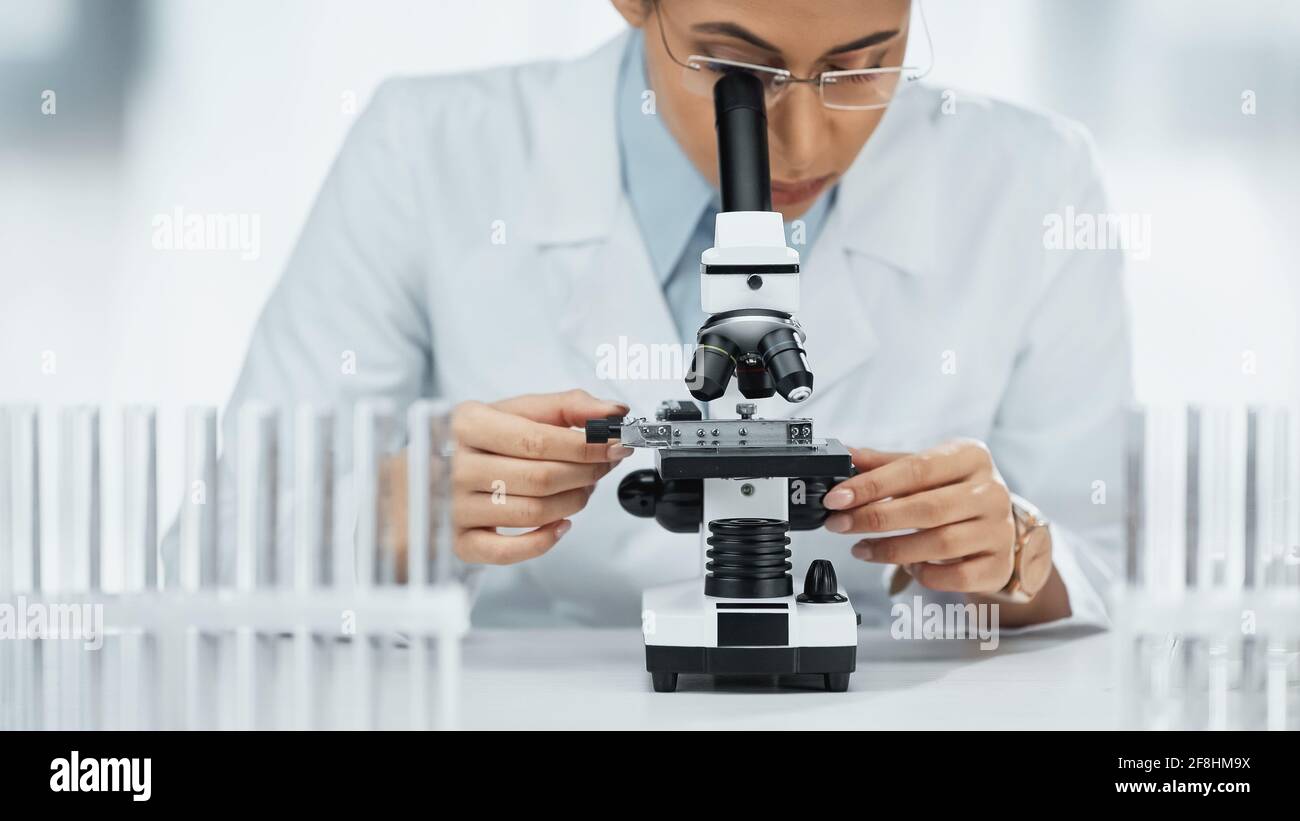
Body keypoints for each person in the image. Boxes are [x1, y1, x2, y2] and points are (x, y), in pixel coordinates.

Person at [177, 0, 1131, 630]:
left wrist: (1011, 559)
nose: (801, 140)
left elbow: (1110, 572)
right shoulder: (426, 151)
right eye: (732, 66)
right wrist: (397, 508)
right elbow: (200, 569)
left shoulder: (1033, 180)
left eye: (861, 67)